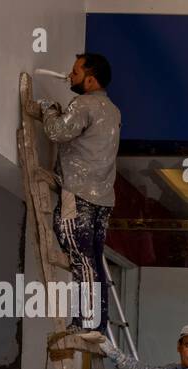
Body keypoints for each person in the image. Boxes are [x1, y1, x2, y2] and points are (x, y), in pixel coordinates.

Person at [30, 53, 120, 334]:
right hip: (103, 198)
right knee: (91, 258)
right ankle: (97, 323)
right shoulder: (113, 111)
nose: (70, 76)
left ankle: (87, 322)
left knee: (80, 257)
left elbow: (57, 131)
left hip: (79, 193)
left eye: (76, 72)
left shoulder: (84, 103)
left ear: (90, 80)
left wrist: (47, 109)